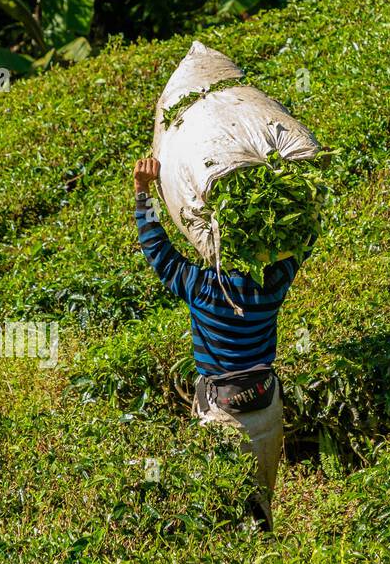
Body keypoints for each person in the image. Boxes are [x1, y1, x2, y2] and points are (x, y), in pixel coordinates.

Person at [133, 156, 310, 533]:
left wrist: (142, 190)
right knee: (261, 508)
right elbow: (303, 240)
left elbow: (156, 247)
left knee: (224, 514)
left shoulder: (202, 287)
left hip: (221, 411)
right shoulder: (272, 282)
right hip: (266, 404)